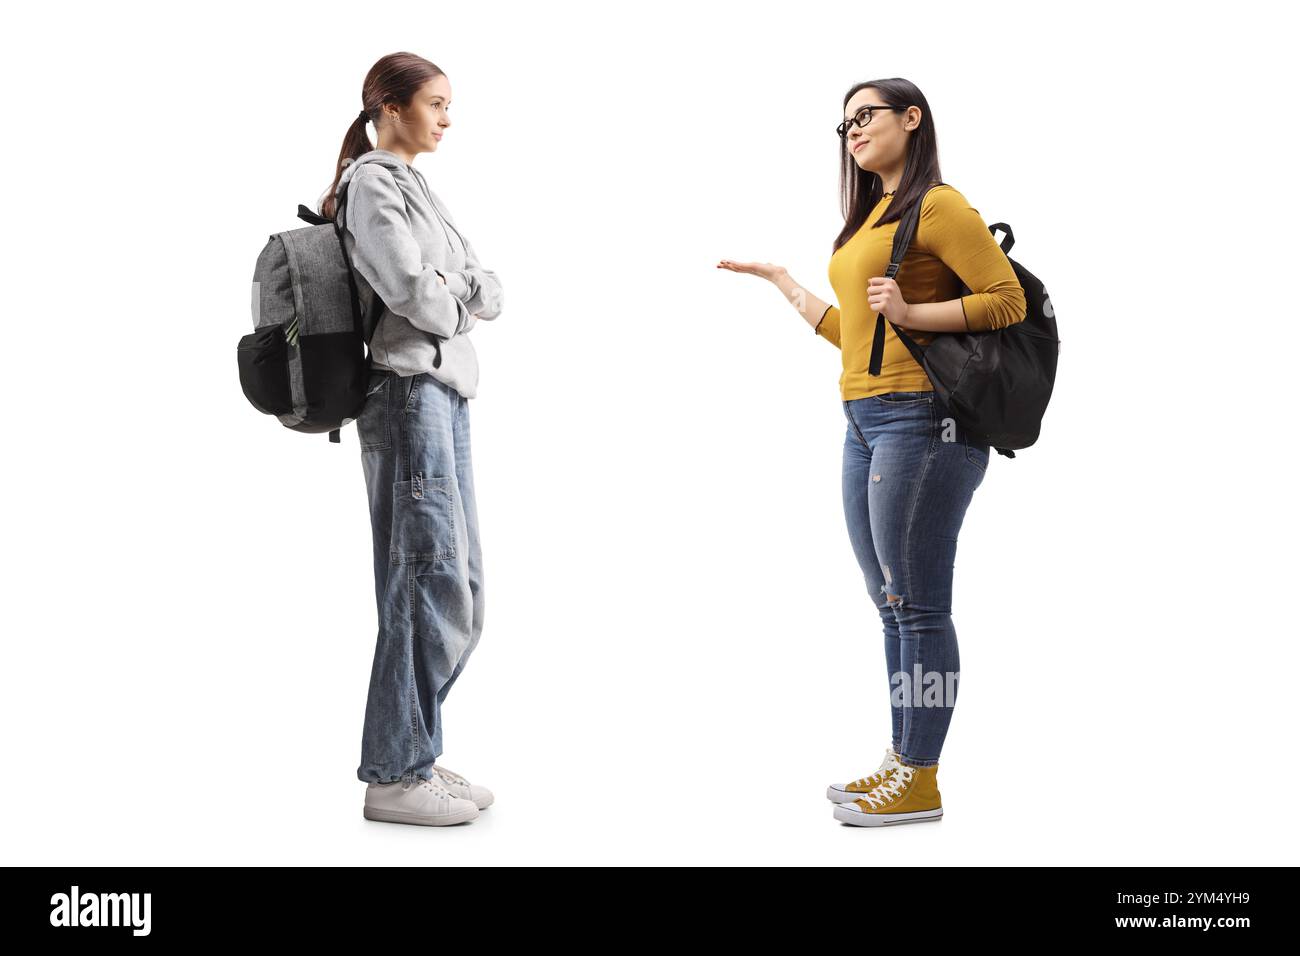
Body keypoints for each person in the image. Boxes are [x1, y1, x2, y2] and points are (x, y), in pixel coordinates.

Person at [717, 77, 1026, 826]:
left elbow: (1005, 298)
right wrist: (786, 284)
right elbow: (860, 334)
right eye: (844, 123)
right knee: (892, 605)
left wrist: (915, 308)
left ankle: (921, 778)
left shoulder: (940, 205)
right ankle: (900, 759)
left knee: (918, 607)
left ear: (911, 119)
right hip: (863, 418)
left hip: (923, 424)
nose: (852, 131)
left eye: (867, 116)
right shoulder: (871, 219)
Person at [321, 52, 504, 827]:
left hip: (444, 396)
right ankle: (394, 774)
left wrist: (455, 292)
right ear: (389, 107)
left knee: (458, 586)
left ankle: (416, 752)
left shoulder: (416, 185)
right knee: (422, 582)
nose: (447, 117)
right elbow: (413, 293)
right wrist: (459, 296)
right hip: (406, 396)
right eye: (435, 102)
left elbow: (484, 283)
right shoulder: (371, 184)